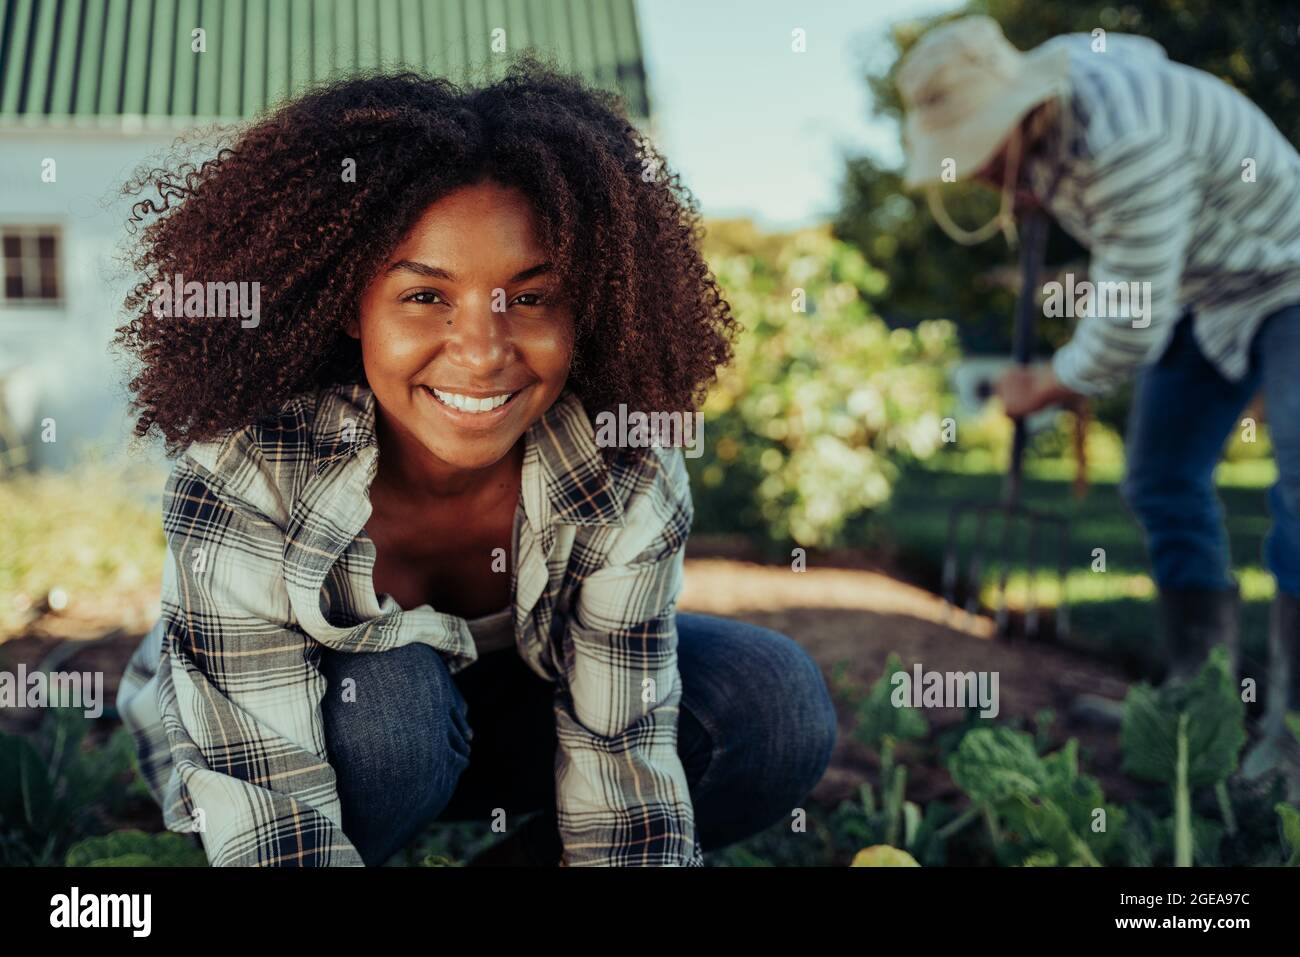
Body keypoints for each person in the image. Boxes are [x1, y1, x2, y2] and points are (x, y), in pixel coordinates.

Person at [112, 61, 838, 867]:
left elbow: (622, 758)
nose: (483, 353)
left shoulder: (621, 467)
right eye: (426, 297)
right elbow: (269, 803)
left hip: (505, 721)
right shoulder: (249, 465)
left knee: (770, 699)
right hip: (280, 743)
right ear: (347, 305)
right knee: (393, 706)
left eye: (530, 298)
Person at [895, 17, 1300, 786]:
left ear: (1016, 111)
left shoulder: (1126, 144)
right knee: (1160, 478)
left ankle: (1292, 741)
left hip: (1286, 271)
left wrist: (1048, 382)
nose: (975, 175)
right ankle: (1196, 700)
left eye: (978, 153)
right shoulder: (1053, 97)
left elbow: (1129, 326)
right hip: (1198, 286)